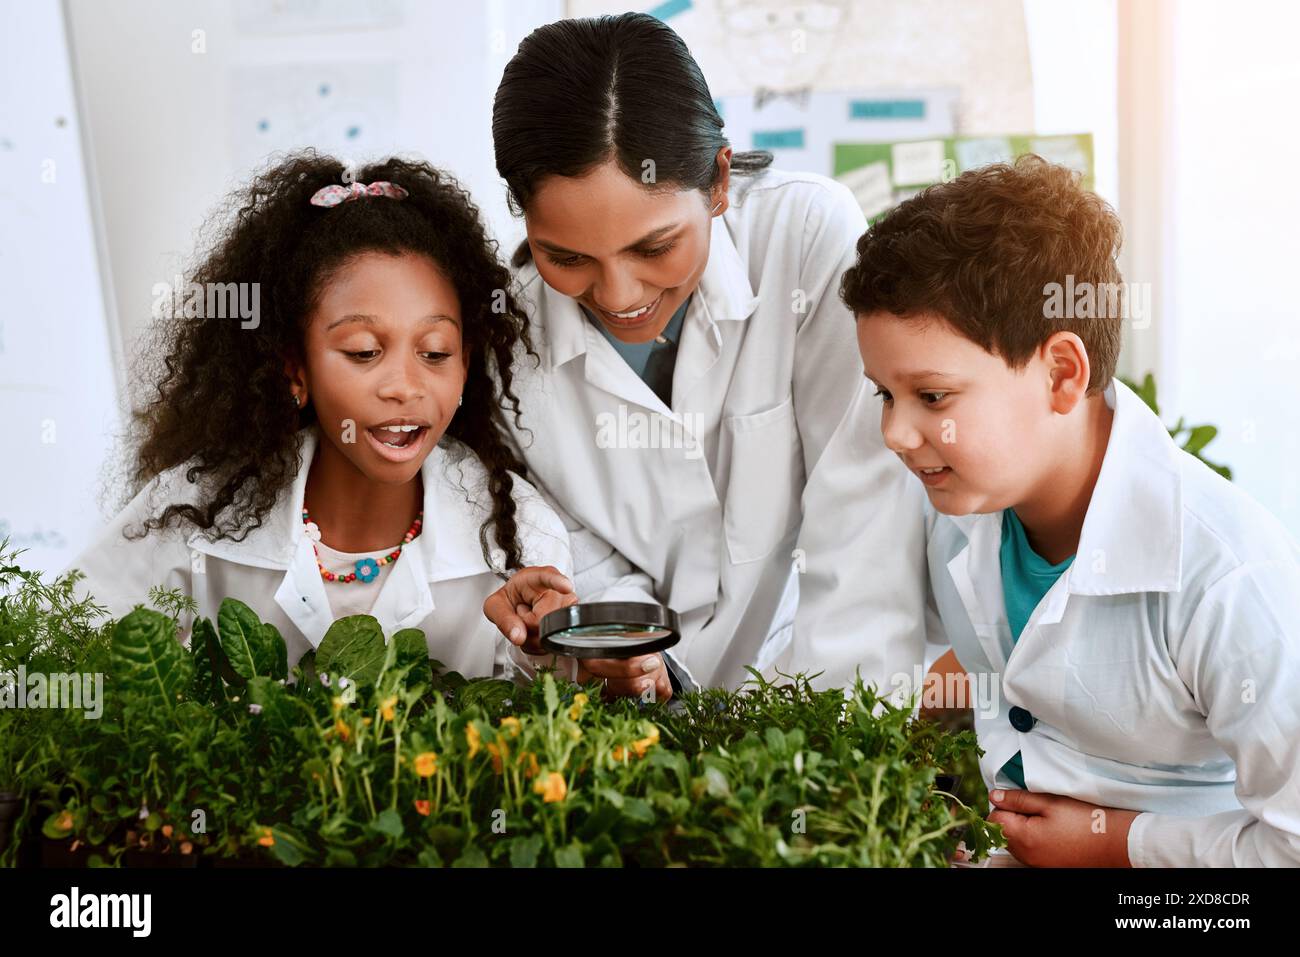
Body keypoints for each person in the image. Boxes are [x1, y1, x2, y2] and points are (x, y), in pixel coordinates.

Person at [845, 154, 1300, 867]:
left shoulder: (1229, 575)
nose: (895, 435)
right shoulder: (971, 505)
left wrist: (1116, 843)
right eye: (884, 394)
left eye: (931, 397)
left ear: (1062, 373)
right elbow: (1016, 644)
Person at [482, 12, 929, 700]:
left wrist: (832, 758)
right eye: (566, 257)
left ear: (719, 181)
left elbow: (863, 527)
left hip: (828, 700)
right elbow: (583, 559)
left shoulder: (806, 241)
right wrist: (633, 656)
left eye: (654, 247)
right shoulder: (505, 338)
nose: (619, 294)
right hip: (645, 727)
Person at [67, 152, 575, 681]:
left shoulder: (522, 533)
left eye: (435, 352)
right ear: (295, 369)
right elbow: (64, 661)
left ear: (466, 364)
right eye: (362, 352)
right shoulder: (186, 519)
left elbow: (563, 726)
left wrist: (542, 653)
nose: (404, 386)